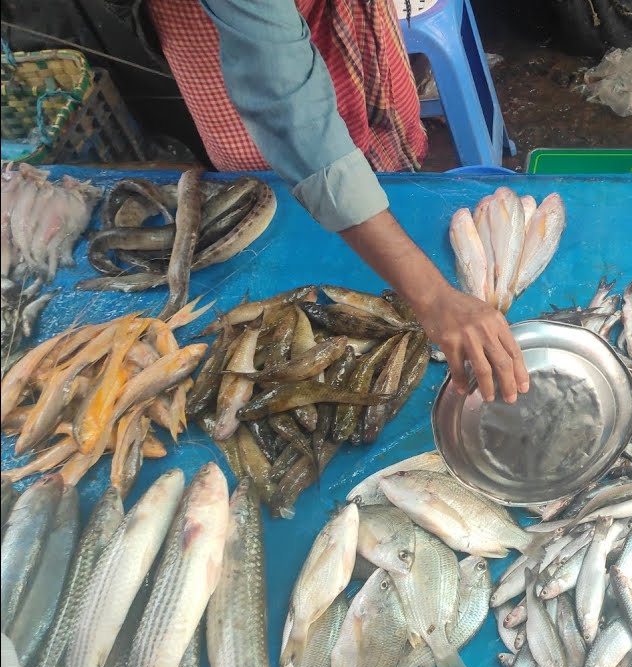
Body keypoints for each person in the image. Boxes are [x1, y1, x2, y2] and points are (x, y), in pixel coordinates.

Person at [144, 0, 528, 403]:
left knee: (383, 158)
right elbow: (294, 118)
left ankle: (375, 224)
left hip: (346, 20)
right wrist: (432, 297)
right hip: (243, 40)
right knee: (287, 195)